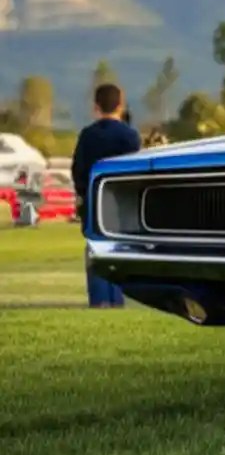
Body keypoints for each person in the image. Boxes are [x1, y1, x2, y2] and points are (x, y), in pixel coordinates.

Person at [71, 83, 141, 308]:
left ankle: (100, 300)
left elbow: (78, 170)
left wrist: (83, 194)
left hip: (94, 203)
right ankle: (117, 299)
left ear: (96, 107)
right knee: (120, 252)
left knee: (97, 249)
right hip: (123, 205)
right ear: (120, 105)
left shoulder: (87, 135)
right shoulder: (130, 136)